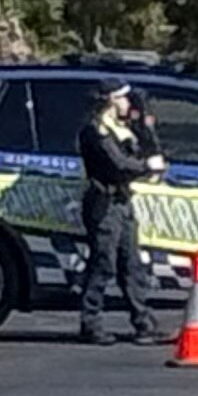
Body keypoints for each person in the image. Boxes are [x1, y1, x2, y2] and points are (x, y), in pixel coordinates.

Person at [76, 80, 165, 344]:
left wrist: (145, 127)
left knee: (131, 263)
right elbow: (118, 164)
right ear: (111, 100)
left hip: (122, 201)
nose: (128, 104)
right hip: (103, 202)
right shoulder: (96, 131)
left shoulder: (122, 128)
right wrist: (146, 166)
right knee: (103, 263)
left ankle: (143, 322)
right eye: (124, 99)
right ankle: (91, 323)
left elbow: (141, 150)